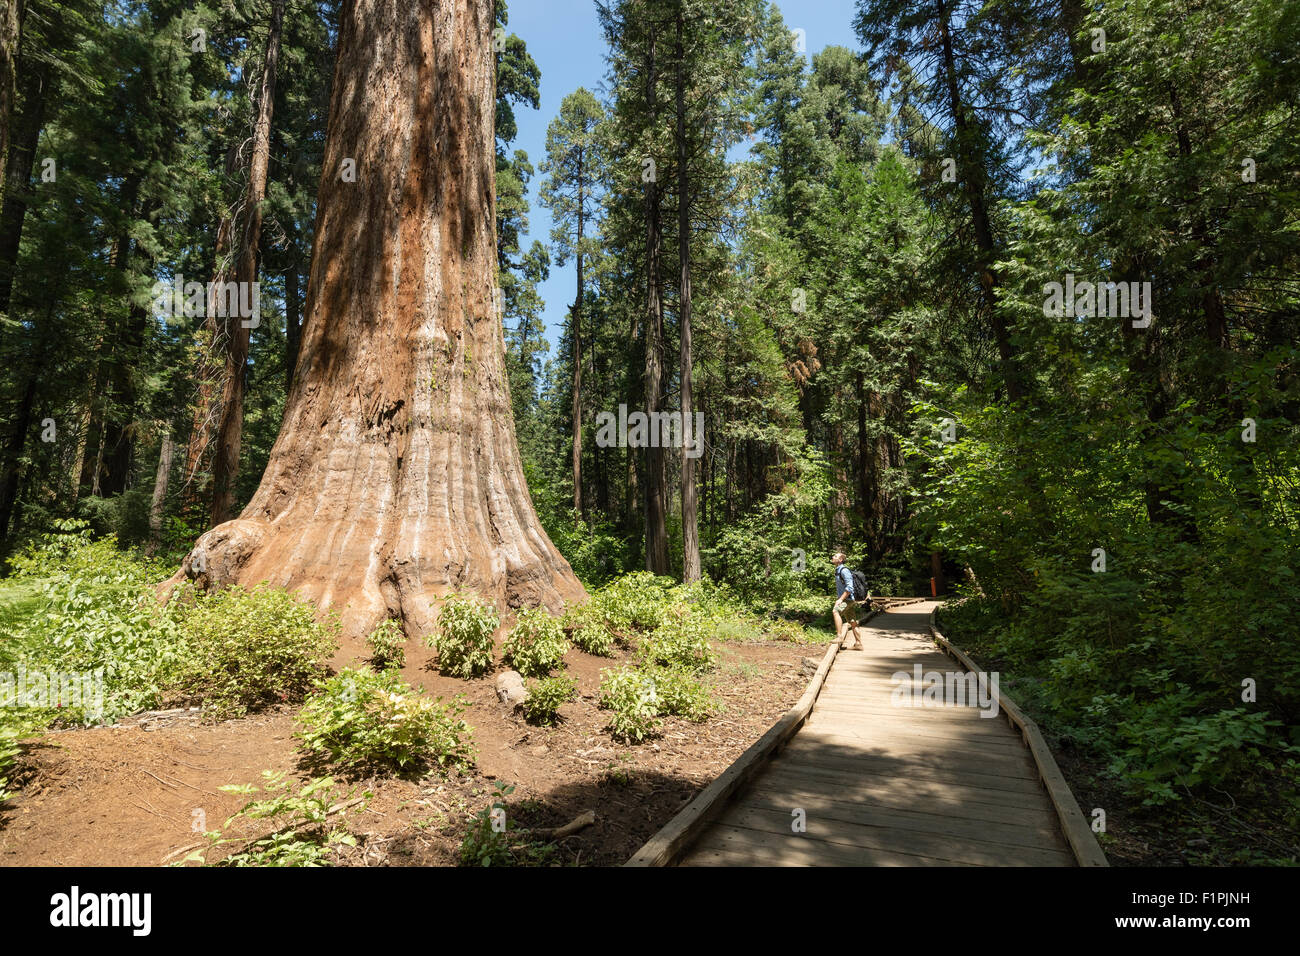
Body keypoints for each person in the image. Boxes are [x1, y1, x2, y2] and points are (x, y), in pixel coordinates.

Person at [831, 551, 861, 650]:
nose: (833, 557)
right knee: (852, 621)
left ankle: (839, 637)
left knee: (836, 611)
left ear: (840, 560)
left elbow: (849, 588)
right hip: (849, 600)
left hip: (847, 600)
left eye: (835, 556)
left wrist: (840, 600)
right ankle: (858, 644)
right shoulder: (838, 570)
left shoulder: (844, 570)